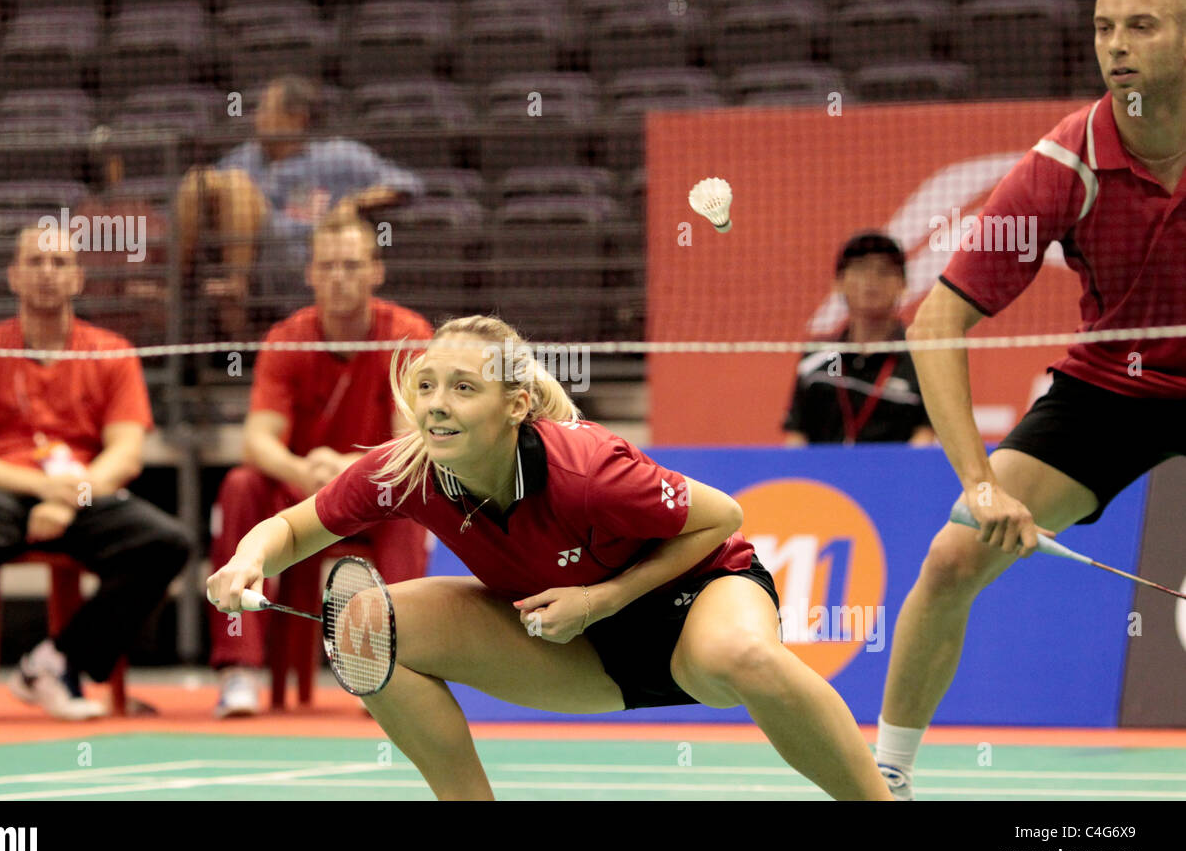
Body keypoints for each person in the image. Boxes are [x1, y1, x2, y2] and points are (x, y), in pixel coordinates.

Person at [208, 315, 893, 800]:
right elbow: (293, 530)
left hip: (696, 598)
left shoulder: (587, 468)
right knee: (366, 624)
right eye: (427, 385)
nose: (436, 407)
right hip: (580, 650)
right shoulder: (406, 469)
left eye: (463, 389)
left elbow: (723, 519)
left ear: (516, 405)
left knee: (745, 657)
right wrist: (247, 559)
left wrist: (602, 599)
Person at [874, 0, 1186, 799]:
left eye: (1142, 27)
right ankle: (885, 776)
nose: (1116, 47)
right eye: (1103, 29)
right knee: (949, 561)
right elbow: (936, 322)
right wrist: (978, 485)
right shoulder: (1066, 164)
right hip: (1111, 389)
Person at [0, 225, 192, 728]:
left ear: (77, 277)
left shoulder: (111, 352)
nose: (47, 274)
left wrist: (70, 497)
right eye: (35, 262)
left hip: (86, 492)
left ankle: (54, 663)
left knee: (167, 542)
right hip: (0, 491)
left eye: (59, 263)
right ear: (13, 275)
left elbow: (126, 454)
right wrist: (40, 488)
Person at [208, 207, 433, 717]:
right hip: (304, 490)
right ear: (310, 273)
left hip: (375, 494)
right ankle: (239, 671)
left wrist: (348, 472)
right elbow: (257, 442)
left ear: (375, 272)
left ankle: (390, 669)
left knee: (412, 499)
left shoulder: (407, 333)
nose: (339, 277)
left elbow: (411, 441)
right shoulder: (289, 338)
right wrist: (307, 470)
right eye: (328, 266)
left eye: (352, 266)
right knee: (242, 485)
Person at [173, 75, 423, 334]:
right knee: (197, 179)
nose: (256, 116)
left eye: (265, 108)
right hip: (250, 256)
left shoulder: (338, 155)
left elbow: (406, 183)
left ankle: (236, 290)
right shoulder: (246, 156)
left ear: (297, 118)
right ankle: (174, 287)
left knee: (236, 184)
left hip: (298, 260)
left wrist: (355, 203)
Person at [783, 232, 936, 446]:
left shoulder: (923, 359)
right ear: (838, 282)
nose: (871, 279)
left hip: (896, 476)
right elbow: (796, 437)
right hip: (822, 478)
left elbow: (925, 436)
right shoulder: (815, 357)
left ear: (903, 285)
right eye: (860, 268)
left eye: (884, 271)